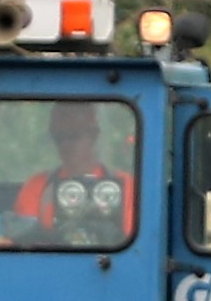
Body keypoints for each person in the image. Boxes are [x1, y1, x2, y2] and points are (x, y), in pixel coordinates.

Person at [10, 102, 133, 246]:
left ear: (94, 135)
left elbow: (132, 244)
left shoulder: (126, 186)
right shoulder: (36, 186)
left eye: (73, 136)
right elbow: (23, 245)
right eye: (59, 137)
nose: (65, 144)